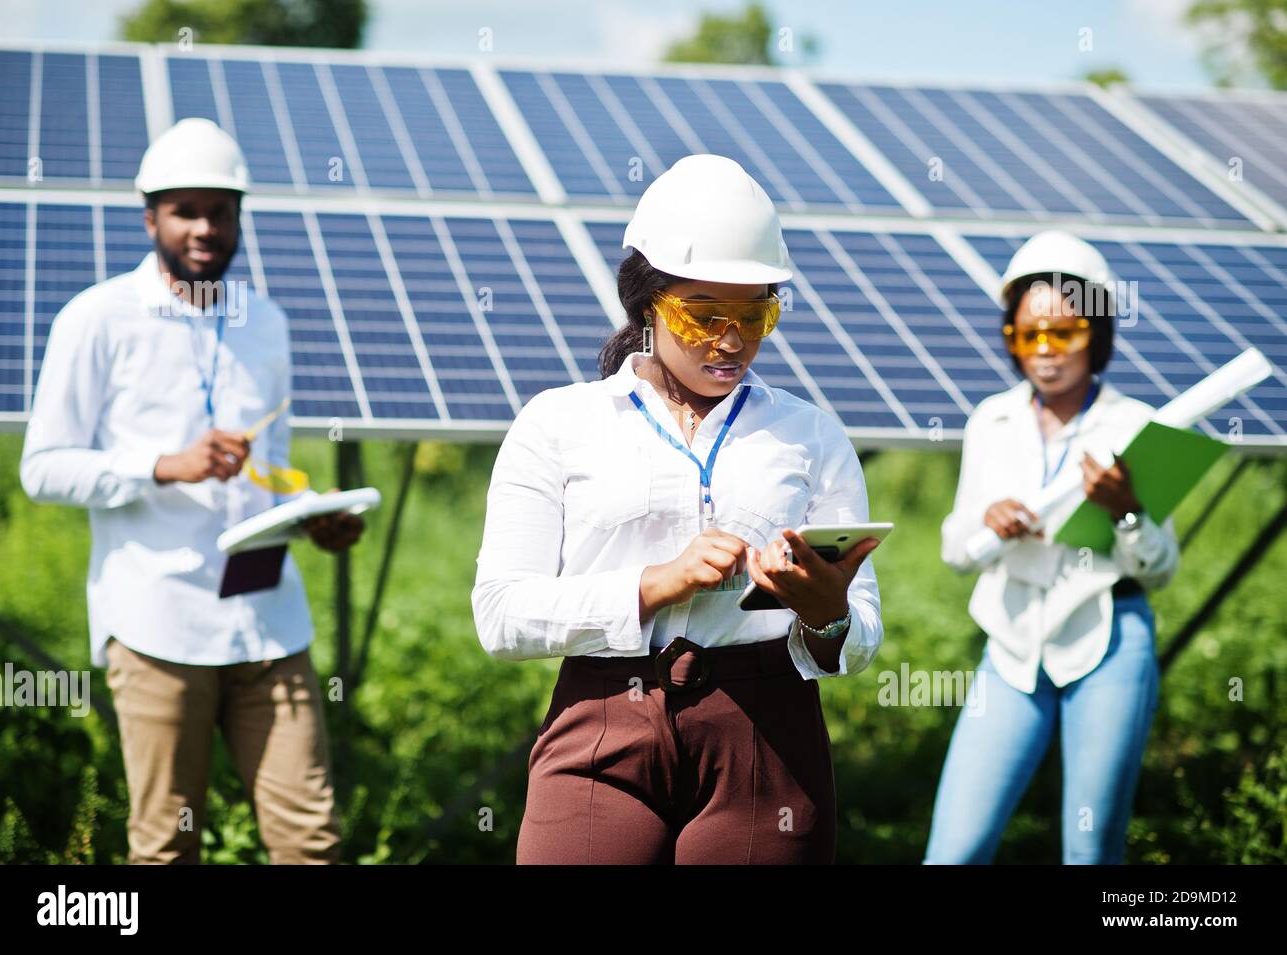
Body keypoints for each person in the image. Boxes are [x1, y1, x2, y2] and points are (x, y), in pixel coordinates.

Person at [471, 154, 884, 865]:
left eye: (757, 314)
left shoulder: (811, 435)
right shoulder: (558, 423)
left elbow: (861, 632)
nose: (731, 341)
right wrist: (656, 583)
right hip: (600, 718)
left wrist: (827, 612)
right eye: (703, 316)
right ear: (645, 303)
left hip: (766, 731)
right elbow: (501, 614)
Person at [19, 118, 363, 864]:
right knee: (167, 849)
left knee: (314, 843)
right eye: (185, 210)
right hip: (156, 626)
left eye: (221, 209)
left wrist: (310, 521)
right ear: (151, 218)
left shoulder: (265, 323)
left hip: (268, 623)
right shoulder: (97, 319)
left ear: (239, 217)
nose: (205, 227)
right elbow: (42, 466)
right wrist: (161, 465)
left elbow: (264, 470)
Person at [925, 230, 1179, 864]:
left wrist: (1127, 512)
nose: (1044, 350)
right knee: (954, 850)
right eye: (1026, 333)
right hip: (1010, 644)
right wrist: (987, 523)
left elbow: (1161, 567)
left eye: (1063, 332)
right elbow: (956, 551)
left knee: (1090, 851)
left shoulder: (1137, 426)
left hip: (1108, 641)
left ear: (1097, 334)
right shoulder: (992, 420)